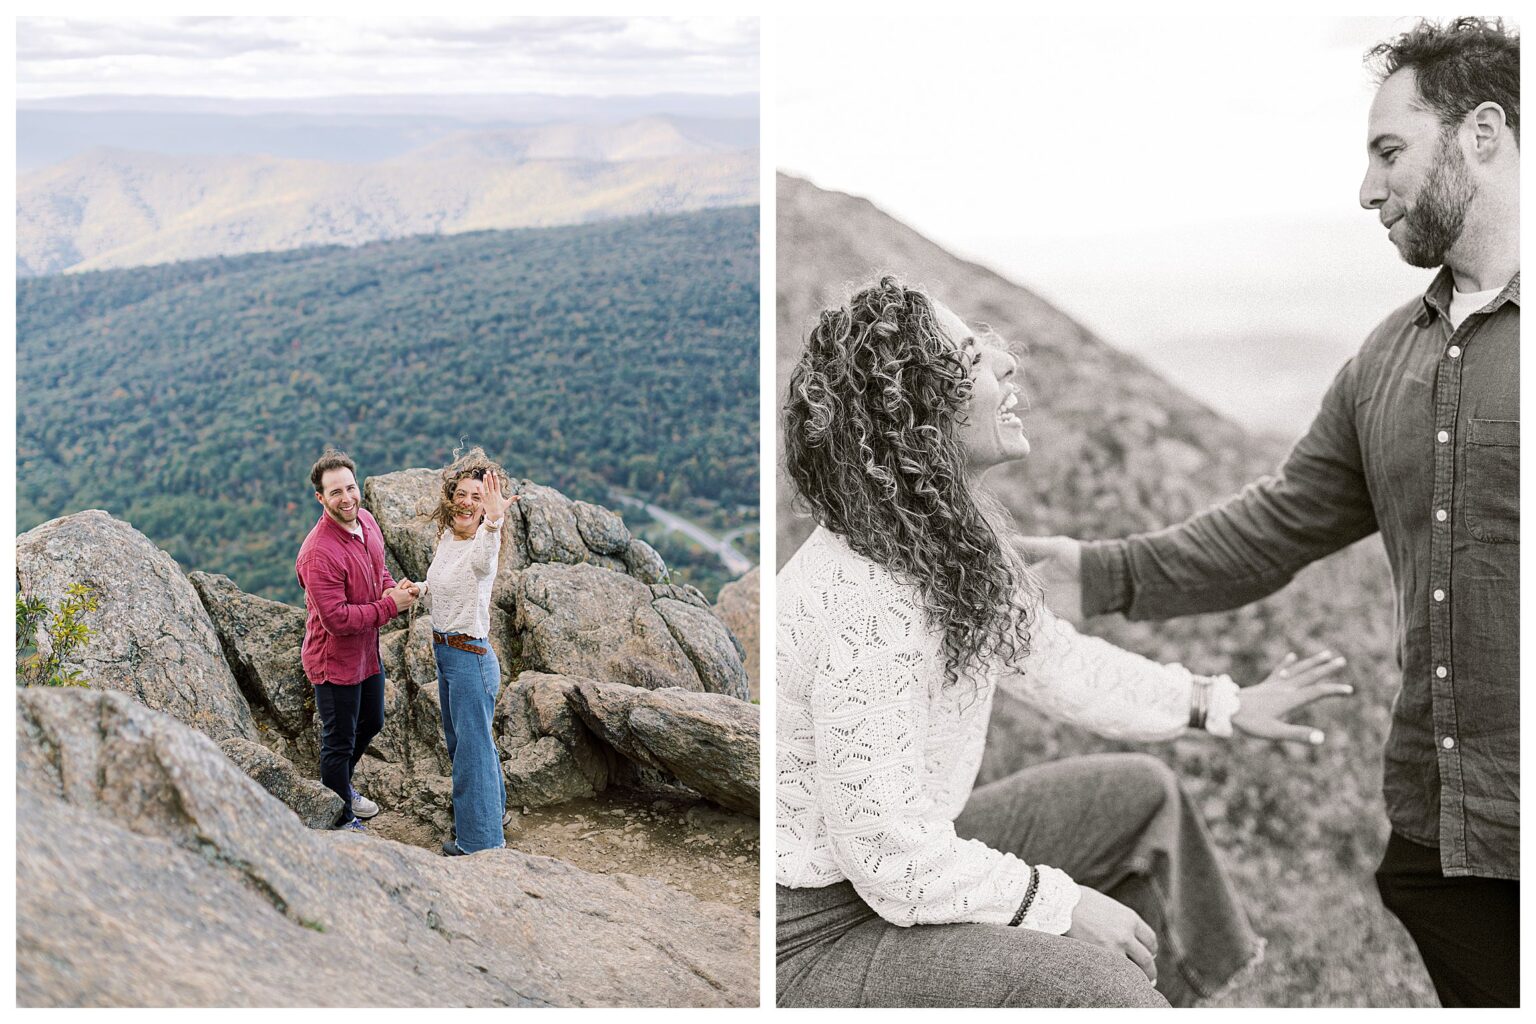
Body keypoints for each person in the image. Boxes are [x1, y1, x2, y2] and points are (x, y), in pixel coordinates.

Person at [1018, 18, 1518, 1008]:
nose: (1368, 190)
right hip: (1446, 838)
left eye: (1390, 152)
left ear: (1484, 134)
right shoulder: (1384, 363)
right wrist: (1093, 571)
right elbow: (1276, 524)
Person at [775, 278, 1351, 1007]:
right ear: (914, 413)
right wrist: (1058, 903)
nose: (1007, 365)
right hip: (813, 935)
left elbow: (1059, 663)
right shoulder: (867, 606)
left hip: (883, 873)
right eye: (972, 358)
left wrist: (1221, 704)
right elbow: (891, 857)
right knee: (1095, 984)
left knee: (1141, 797)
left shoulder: (941, 545)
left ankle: (1172, 1002)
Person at [295, 449, 418, 830]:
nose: (347, 498)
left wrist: (394, 588)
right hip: (334, 661)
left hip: (367, 653)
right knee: (339, 743)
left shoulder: (365, 520)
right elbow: (336, 619)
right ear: (321, 498)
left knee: (372, 722)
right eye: (336, 493)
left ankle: (339, 790)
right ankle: (339, 819)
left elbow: (378, 569)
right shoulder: (318, 554)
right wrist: (389, 608)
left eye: (350, 488)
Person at [405, 447, 516, 856]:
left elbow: (484, 562)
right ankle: (495, 812)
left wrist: (495, 519)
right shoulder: (450, 538)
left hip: (470, 658)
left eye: (477, 496)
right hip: (447, 656)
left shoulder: (482, 543)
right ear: (450, 497)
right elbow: (444, 581)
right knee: (469, 744)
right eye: (461, 494)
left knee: (470, 753)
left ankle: (480, 843)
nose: (467, 503)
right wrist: (421, 588)